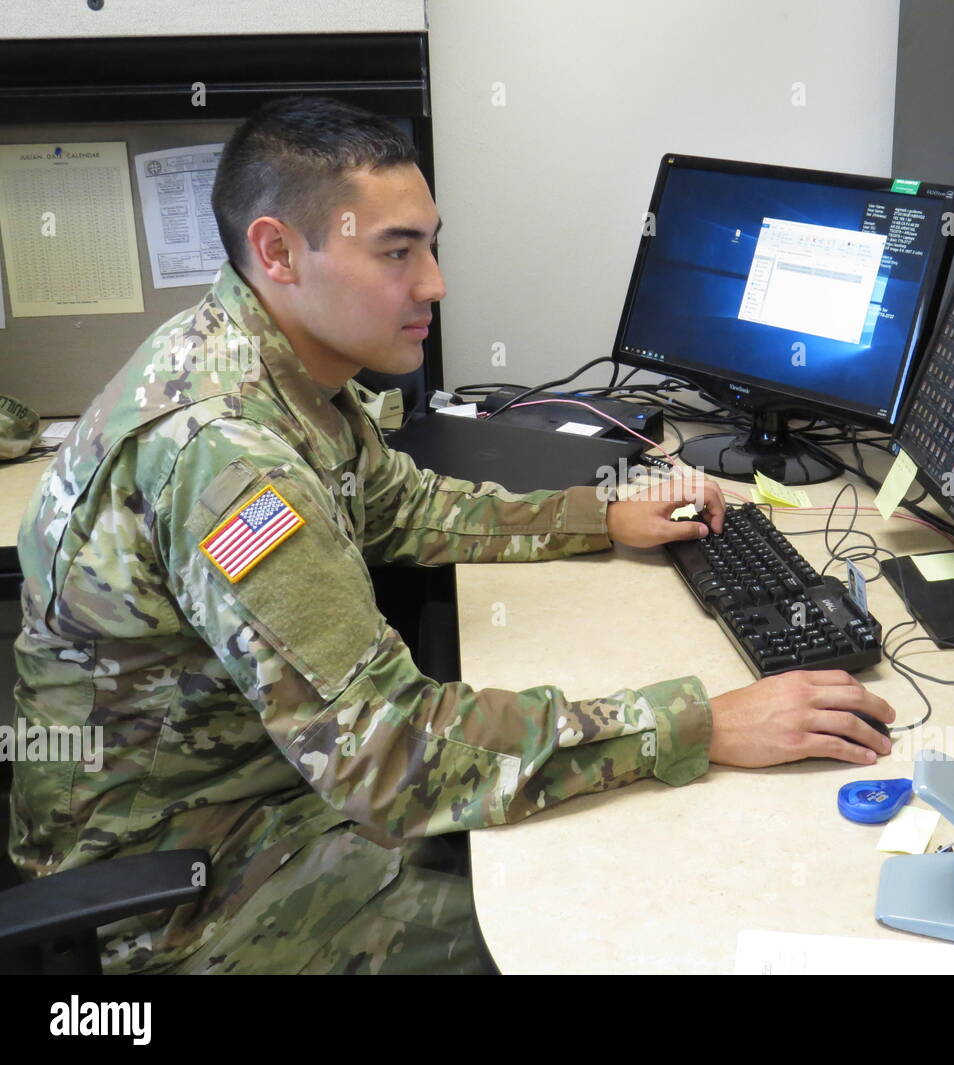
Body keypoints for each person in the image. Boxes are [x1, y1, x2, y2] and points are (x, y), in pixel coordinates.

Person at [9, 96, 894, 974]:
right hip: (185, 896)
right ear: (278, 251)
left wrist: (597, 515)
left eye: (431, 245)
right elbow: (394, 753)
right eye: (397, 252)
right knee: (582, 922)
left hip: (267, 790)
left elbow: (400, 507)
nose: (433, 282)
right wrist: (697, 721)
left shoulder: (265, 359)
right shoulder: (229, 460)